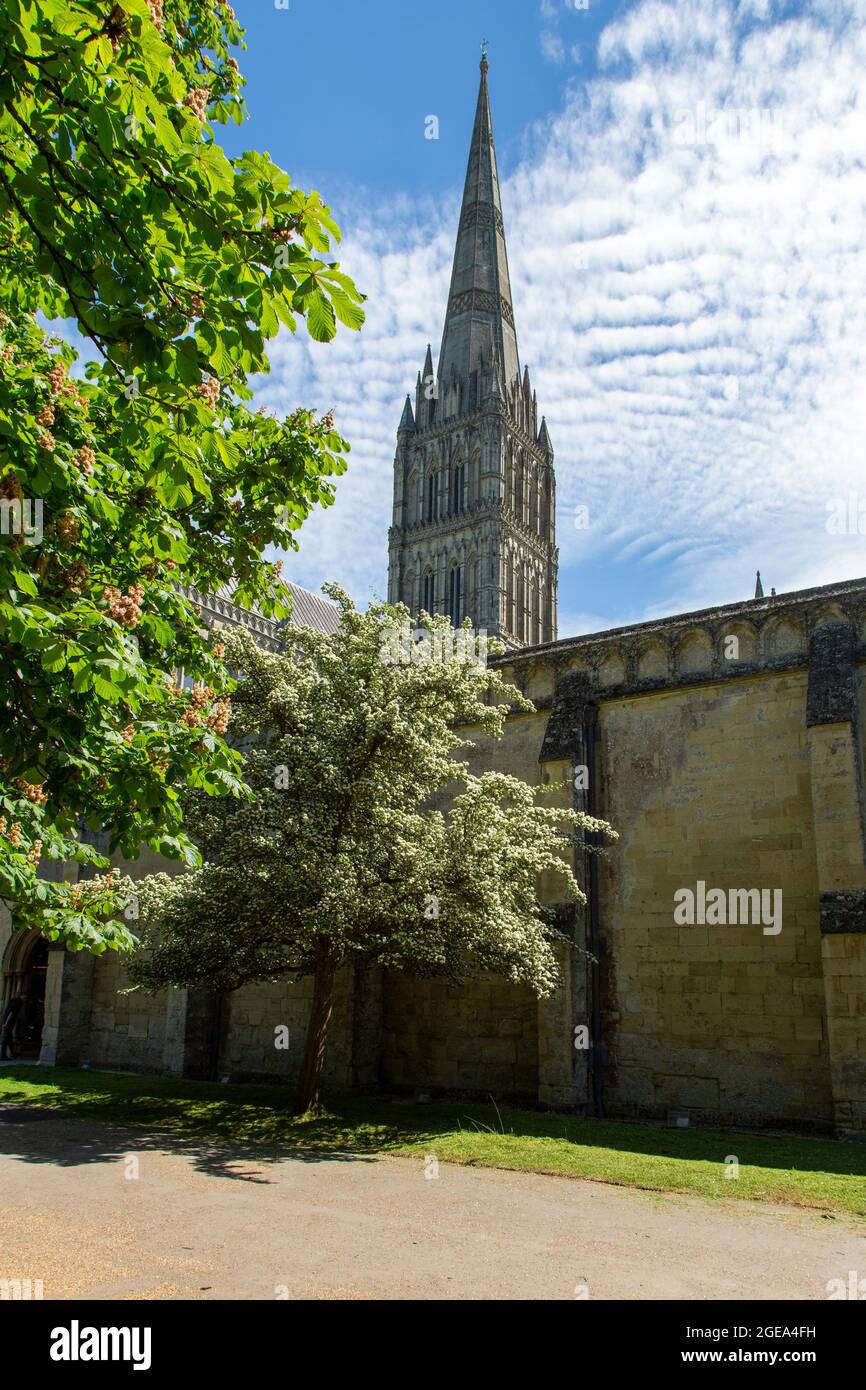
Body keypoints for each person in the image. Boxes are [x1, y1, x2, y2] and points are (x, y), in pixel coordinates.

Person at [0, 995, 24, 1061]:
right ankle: (3, 1056)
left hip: (7, 1023)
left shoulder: (11, 1003)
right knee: (5, 1040)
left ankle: (13, 1054)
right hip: (8, 1024)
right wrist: (6, 1023)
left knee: (9, 1040)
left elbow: (7, 1012)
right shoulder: (17, 1005)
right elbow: (11, 1014)